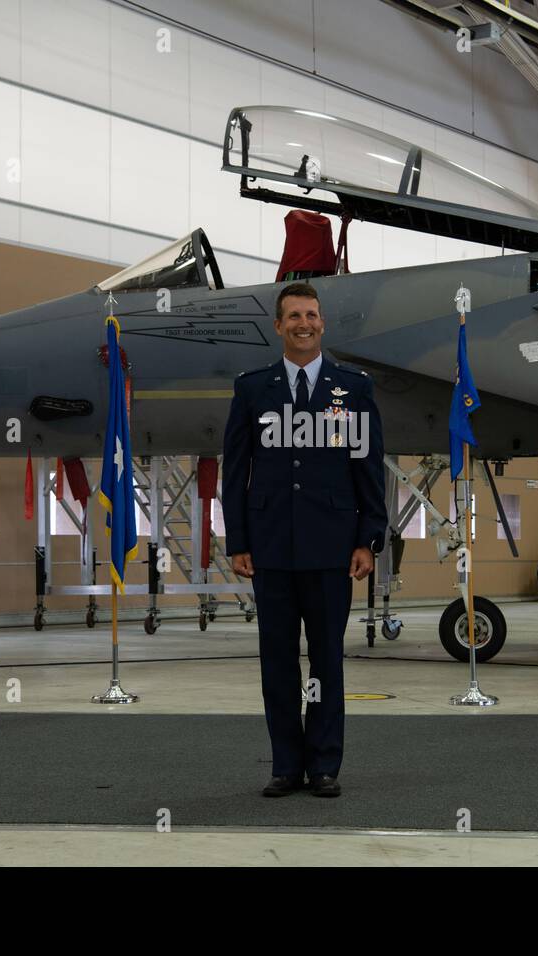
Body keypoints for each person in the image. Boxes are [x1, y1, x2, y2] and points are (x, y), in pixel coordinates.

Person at [222, 281, 386, 798]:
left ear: (322, 323)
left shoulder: (352, 388)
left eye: (311, 315)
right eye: (294, 315)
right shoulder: (252, 389)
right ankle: (286, 765)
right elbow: (236, 472)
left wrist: (368, 539)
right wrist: (237, 541)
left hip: (332, 547)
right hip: (269, 547)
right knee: (277, 660)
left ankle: (323, 766)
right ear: (278, 325)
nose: (304, 323)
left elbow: (368, 469)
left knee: (326, 660)